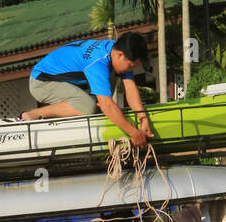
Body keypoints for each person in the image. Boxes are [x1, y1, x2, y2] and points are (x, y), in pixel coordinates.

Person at [21, 31, 153, 148]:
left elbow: (130, 88)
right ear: (120, 55)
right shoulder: (98, 62)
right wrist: (133, 133)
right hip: (41, 82)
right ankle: (34, 114)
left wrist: (143, 119)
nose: (130, 70)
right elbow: (106, 103)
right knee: (89, 106)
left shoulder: (115, 49)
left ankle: (104, 114)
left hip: (67, 81)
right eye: (130, 66)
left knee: (104, 93)